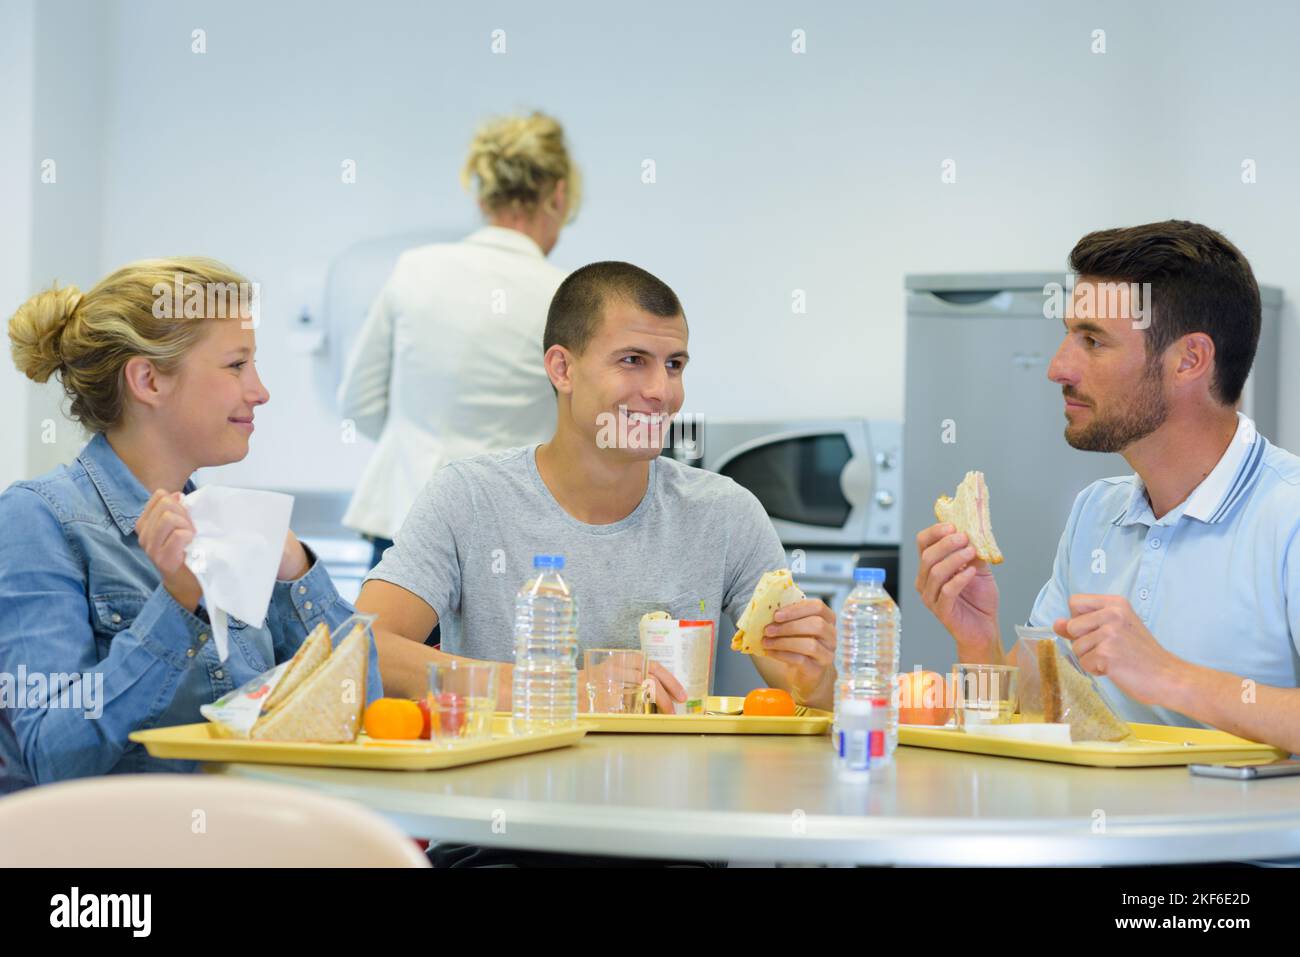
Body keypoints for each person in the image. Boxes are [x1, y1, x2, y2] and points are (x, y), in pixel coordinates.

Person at [356, 260, 837, 715]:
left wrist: (814, 676)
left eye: (674, 365)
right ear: (562, 369)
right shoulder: (469, 497)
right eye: (633, 360)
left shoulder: (724, 512)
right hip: (503, 793)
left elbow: (810, 692)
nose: (661, 392)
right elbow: (362, 645)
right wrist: (560, 689)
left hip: (665, 793)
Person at [915, 220, 1300, 752]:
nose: (1057, 367)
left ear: (1190, 360)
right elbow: (1031, 714)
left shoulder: (1289, 515)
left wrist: (1167, 676)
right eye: (1069, 334)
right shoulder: (1095, 513)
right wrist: (977, 640)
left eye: (1093, 340)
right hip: (1100, 830)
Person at [0, 258, 383, 793]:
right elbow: (51, 755)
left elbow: (363, 709)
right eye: (235, 365)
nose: (260, 390)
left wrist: (298, 573)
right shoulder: (37, 518)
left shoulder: (234, 528)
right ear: (148, 379)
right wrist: (177, 607)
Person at [339, 111, 579, 587]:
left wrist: (417, 443)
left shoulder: (415, 269)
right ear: (557, 194)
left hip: (403, 531)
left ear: (481, 192)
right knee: (503, 666)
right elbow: (580, 433)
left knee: (396, 658)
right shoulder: (565, 296)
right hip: (511, 543)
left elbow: (359, 404)